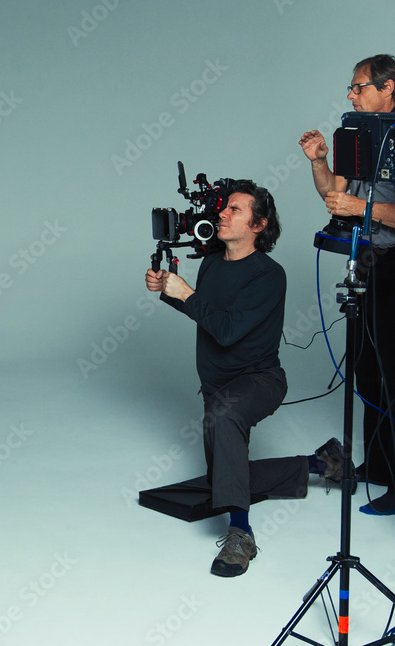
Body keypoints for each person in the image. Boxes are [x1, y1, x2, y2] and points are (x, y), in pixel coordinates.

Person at [145, 180, 343, 577]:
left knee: (224, 420)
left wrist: (185, 294)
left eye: (234, 209)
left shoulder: (268, 274)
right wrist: (168, 291)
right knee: (224, 478)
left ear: (258, 224)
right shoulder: (212, 263)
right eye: (225, 207)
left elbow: (228, 331)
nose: (222, 213)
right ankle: (322, 464)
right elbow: (207, 314)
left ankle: (241, 534)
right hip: (216, 386)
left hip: (259, 380)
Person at [298, 54, 395, 515]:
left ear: (389, 87)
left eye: (359, 87)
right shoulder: (357, 132)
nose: (351, 94)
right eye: (352, 88)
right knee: (367, 366)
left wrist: (364, 210)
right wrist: (319, 162)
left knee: (393, 370)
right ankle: (378, 465)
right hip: (368, 260)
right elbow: (335, 196)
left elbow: (360, 207)